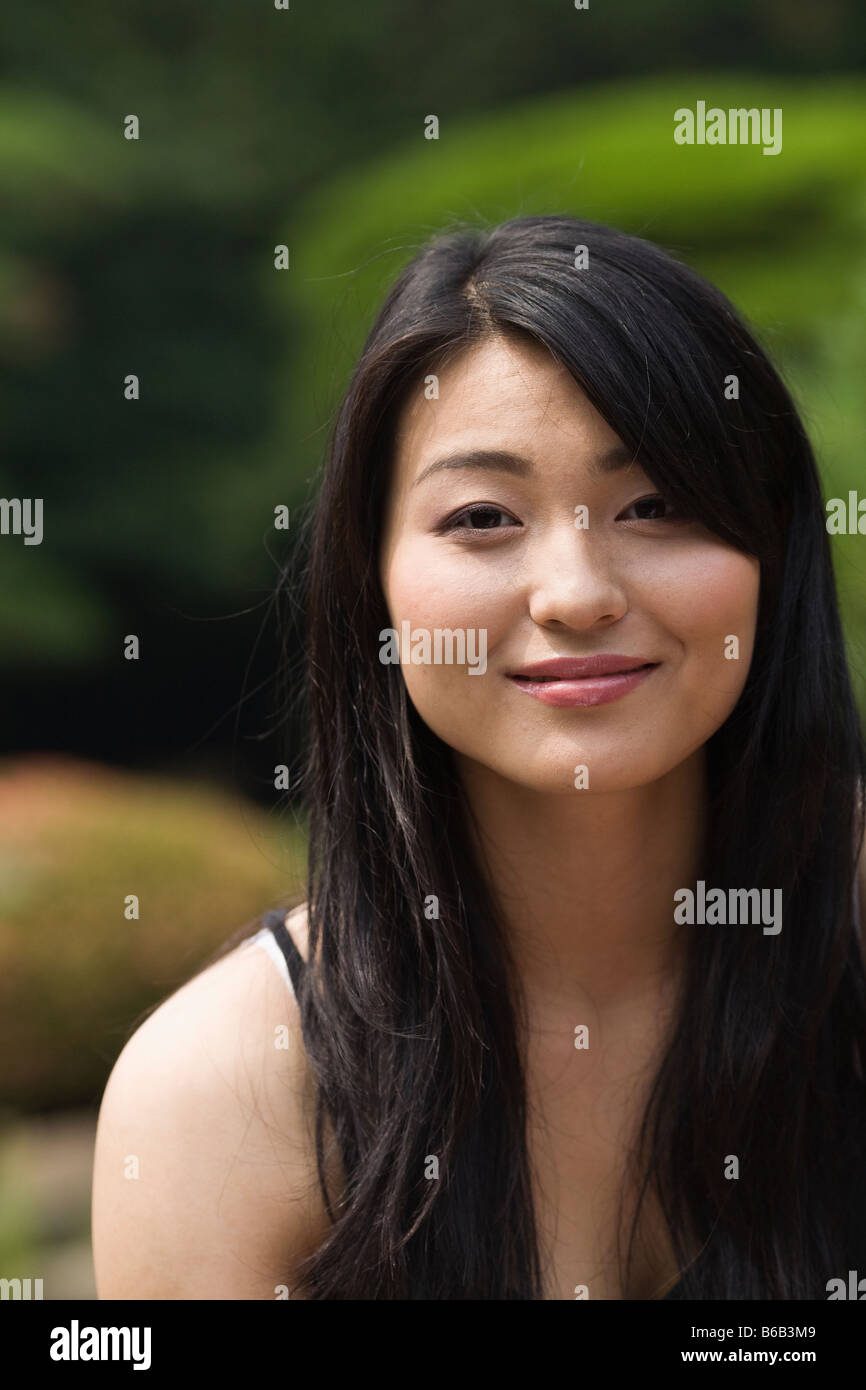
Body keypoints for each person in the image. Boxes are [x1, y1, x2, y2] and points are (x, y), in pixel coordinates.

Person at [92, 214, 866, 1300]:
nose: (578, 593)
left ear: (771, 551)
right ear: (373, 585)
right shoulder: (225, 1090)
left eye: (655, 504)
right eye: (483, 517)